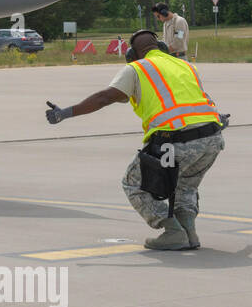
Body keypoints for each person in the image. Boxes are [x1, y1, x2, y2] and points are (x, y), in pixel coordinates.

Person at [43, 29, 225, 251]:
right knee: (185, 186)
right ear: (161, 48)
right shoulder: (185, 65)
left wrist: (66, 113)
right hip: (212, 137)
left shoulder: (137, 68)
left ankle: (173, 231)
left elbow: (104, 97)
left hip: (175, 140)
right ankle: (189, 232)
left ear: (132, 54)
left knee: (133, 183)